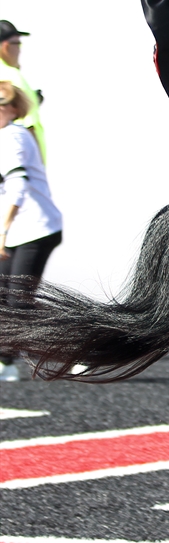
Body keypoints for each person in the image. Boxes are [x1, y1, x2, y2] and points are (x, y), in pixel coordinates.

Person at [0, 82, 62, 382]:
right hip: (16, 231)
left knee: (18, 302)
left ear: (13, 109)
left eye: (2, 102)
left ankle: (82, 346)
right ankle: (6, 363)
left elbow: (17, 186)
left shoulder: (12, 137)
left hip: (33, 229)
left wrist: (2, 231)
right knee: (6, 299)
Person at [0, 21, 45, 162]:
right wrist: (35, 167)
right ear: (6, 46)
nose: (19, 50)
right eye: (17, 44)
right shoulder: (10, 75)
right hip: (21, 160)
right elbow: (27, 125)